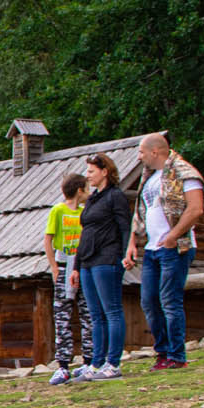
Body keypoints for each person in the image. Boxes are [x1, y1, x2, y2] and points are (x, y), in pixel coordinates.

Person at [124, 132, 204, 371]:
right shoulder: (149, 179)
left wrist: (173, 236)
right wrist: (132, 242)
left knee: (170, 300)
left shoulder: (183, 172)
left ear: (154, 152)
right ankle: (161, 352)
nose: (139, 157)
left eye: (141, 152)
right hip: (151, 249)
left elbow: (196, 208)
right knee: (149, 301)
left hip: (175, 247)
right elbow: (141, 213)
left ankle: (176, 355)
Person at [72, 152, 130, 381]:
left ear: (105, 171)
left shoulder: (115, 196)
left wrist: (124, 254)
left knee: (112, 311)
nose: (88, 176)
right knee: (95, 315)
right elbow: (84, 232)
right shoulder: (93, 199)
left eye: (91, 171)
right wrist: (76, 266)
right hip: (87, 260)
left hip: (107, 258)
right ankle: (96, 363)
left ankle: (112, 363)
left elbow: (125, 227)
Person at [42, 172, 90, 385]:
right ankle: (63, 364)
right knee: (62, 315)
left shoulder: (85, 212)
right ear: (80, 190)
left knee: (87, 313)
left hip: (81, 266)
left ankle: (88, 360)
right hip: (63, 265)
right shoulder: (58, 210)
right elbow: (48, 238)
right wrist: (53, 267)